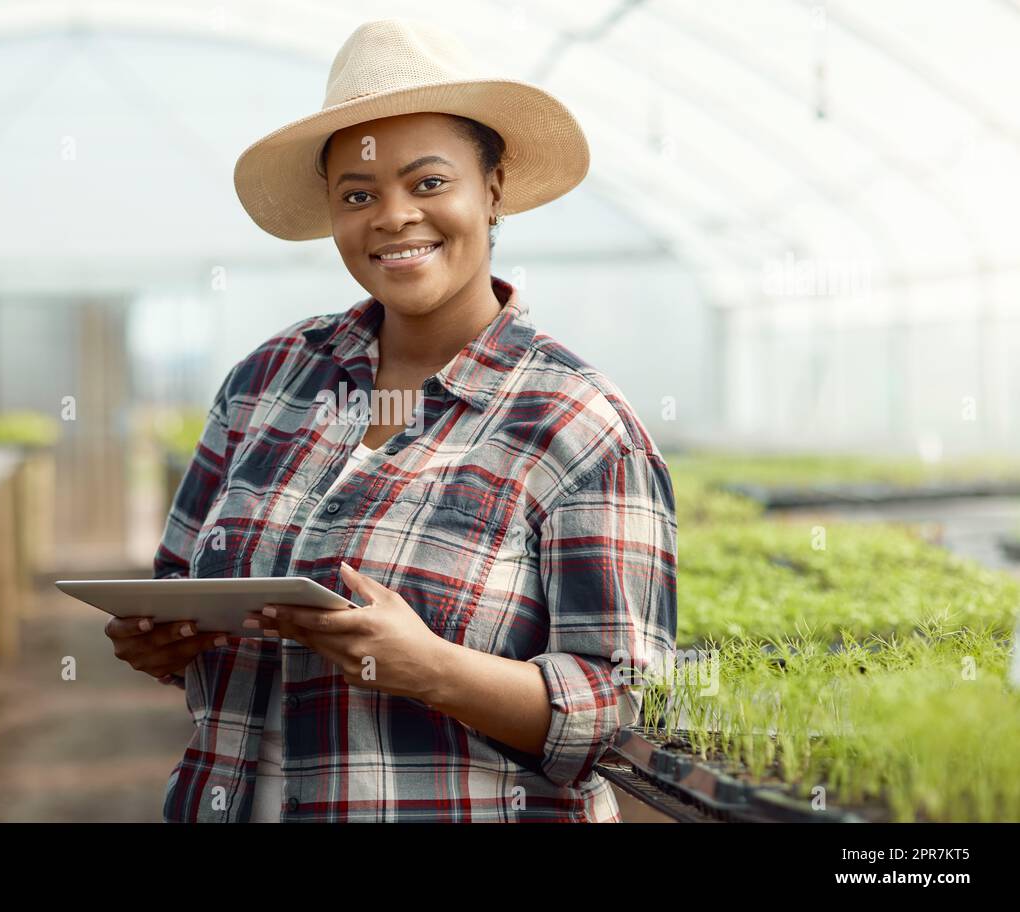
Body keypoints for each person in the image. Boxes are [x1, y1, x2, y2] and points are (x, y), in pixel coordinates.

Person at [106, 18, 677, 822]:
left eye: (430, 183)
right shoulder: (268, 382)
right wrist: (161, 640)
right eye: (359, 195)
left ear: (495, 186)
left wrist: (431, 667)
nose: (393, 216)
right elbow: (178, 585)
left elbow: (624, 715)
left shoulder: (578, 426)